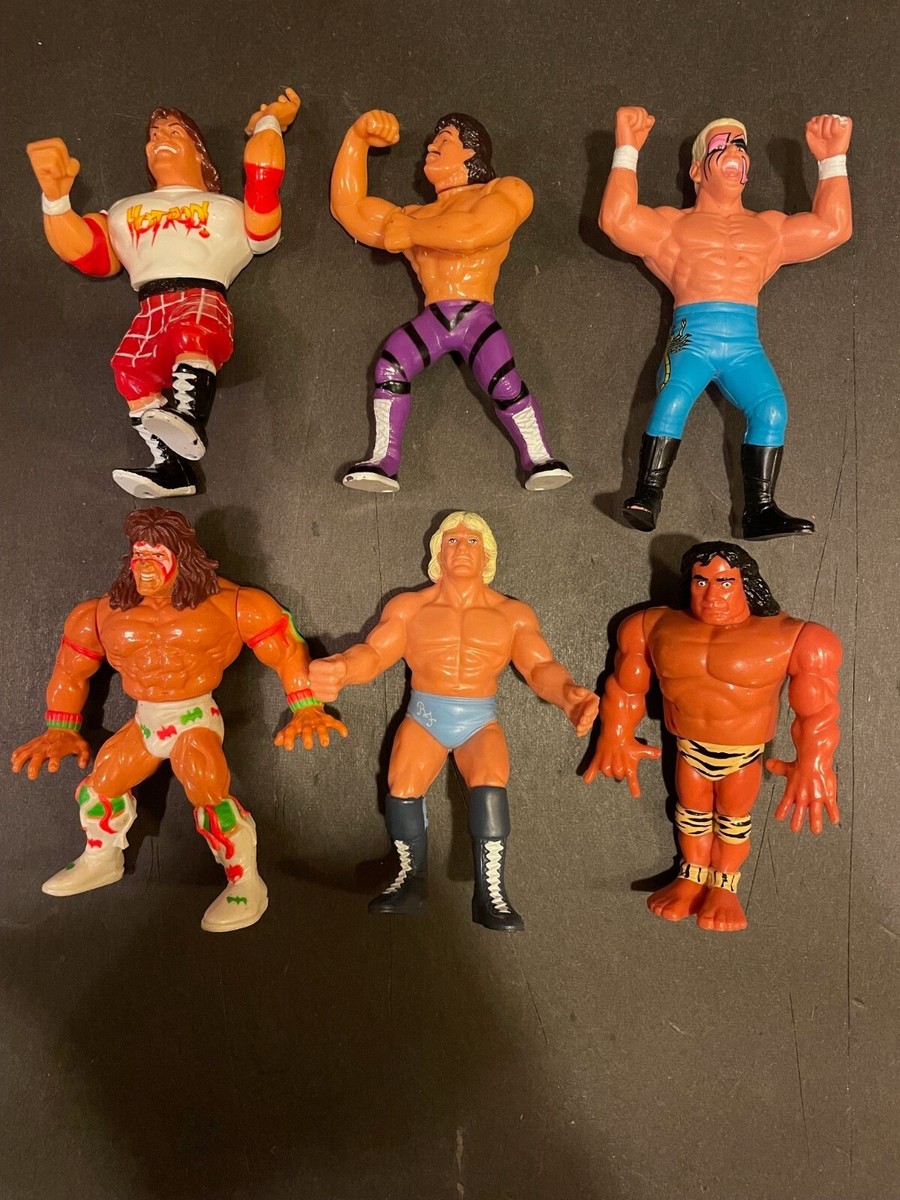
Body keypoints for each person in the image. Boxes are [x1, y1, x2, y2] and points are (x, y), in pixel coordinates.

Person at [11, 507, 346, 932]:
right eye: (139, 554)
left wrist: (306, 706)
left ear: (181, 556)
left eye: (158, 554)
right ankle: (101, 858)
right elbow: (70, 671)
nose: (145, 565)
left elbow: (286, 649)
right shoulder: (99, 614)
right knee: (98, 787)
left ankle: (245, 882)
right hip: (146, 720)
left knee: (207, 788)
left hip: (194, 717)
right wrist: (60, 728)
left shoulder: (233, 604)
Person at [309, 512, 597, 931]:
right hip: (425, 714)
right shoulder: (410, 607)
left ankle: (491, 893)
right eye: (452, 541)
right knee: (402, 787)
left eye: (472, 541)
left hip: (479, 719)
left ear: (488, 555)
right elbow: (374, 653)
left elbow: (539, 667)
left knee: (491, 783)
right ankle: (410, 881)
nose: (462, 548)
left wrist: (568, 694)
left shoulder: (512, 614)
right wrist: (342, 668)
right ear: (438, 553)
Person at [26, 88, 301, 497]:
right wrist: (55, 200)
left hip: (200, 294)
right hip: (150, 304)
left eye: (174, 132)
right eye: (153, 135)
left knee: (192, 332)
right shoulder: (122, 210)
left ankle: (190, 416)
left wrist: (269, 124)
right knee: (129, 370)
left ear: (199, 152)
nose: (159, 140)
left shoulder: (228, 209)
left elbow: (263, 189)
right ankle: (172, 470)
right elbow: (89, 253)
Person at [600, 108, 852, 538]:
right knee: (672, 401)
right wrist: (626, 150)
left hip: (744, 342)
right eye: (722, 145)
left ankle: (760, 509)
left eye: (741, 145)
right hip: (692, 337)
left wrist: (833, 160)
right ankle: (647, 494)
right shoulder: (673, 225)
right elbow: (617, 220)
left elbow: (833, 228)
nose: (736, 151)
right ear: (697, 169)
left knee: (772, 408)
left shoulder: (767, 229)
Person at [584, 542, 841, 932]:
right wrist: (615, 734)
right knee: (691, 814)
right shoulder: (651, 627)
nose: (711, 594)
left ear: (745, 583)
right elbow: (625, 686)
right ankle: (690, 877)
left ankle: (724, 888)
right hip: (687, 748)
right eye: (701, 581)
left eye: (724, 582)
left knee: (733, 818)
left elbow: (818, 709)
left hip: (744, 754)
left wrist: (814, 762)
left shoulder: (793, 637)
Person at [330, 111, 571, 493]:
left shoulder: (502, 191)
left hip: (476, 314)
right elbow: (350, 208)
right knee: (391, 364)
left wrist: (412, 231)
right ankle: (383, 460)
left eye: (444, 139)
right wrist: (356, 139)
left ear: (471, 152)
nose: (431, 146)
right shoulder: (413, 215)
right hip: (435, 316)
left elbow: (478, 230)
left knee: (504, 382)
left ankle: (539, 457)